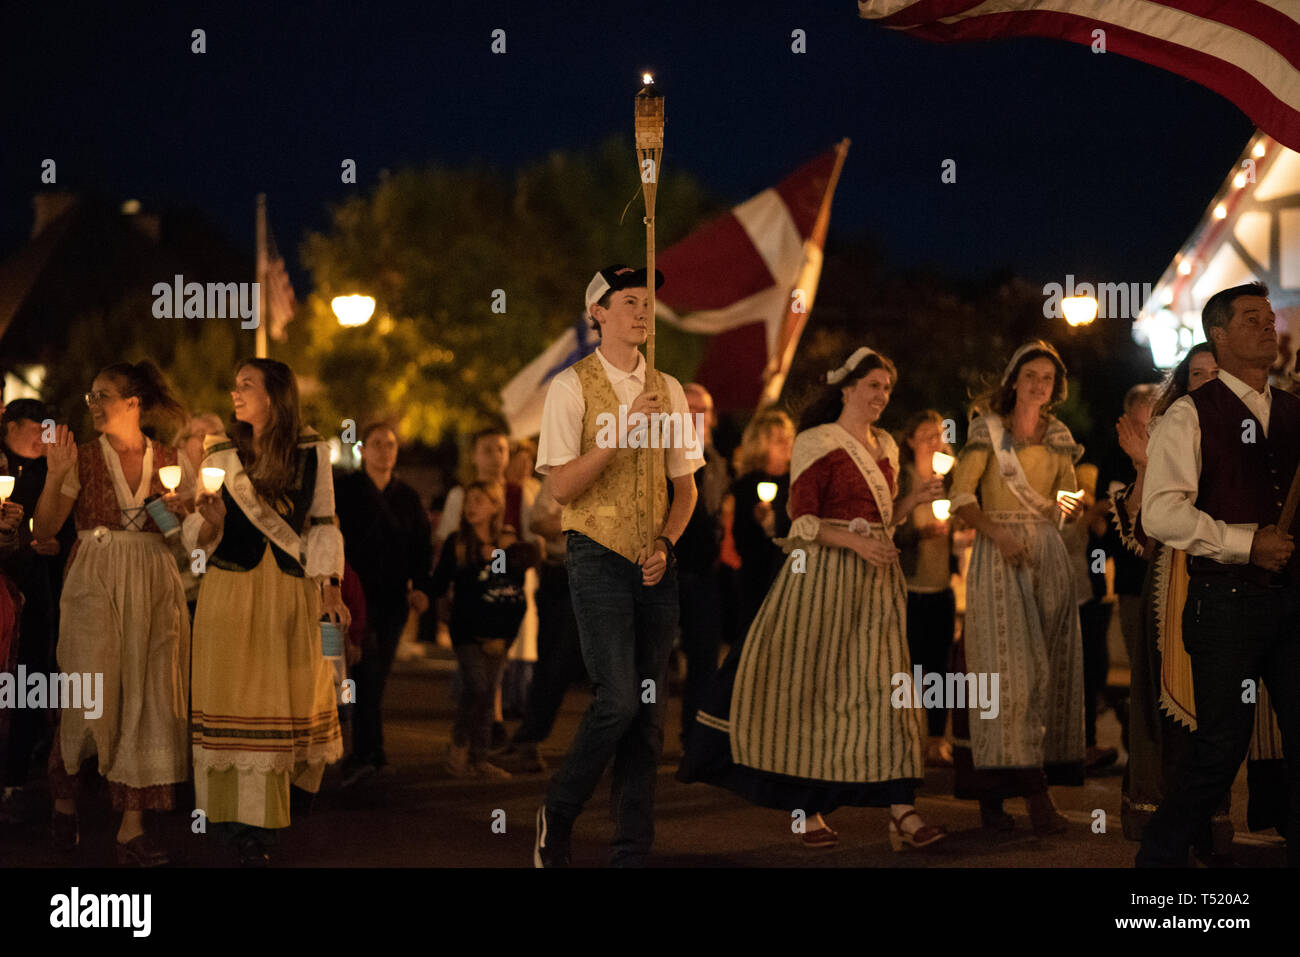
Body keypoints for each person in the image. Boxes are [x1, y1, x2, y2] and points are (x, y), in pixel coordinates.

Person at [680, 347, 948, 850]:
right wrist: (858, 540)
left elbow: (885, 518)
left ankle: (902, 809)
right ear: (846, 389)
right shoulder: (817, 442)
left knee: (886, 694)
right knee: (814, 691)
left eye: (887, 388)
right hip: (823, 574)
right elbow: (802, 520)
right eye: (873, 385)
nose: (881, 396)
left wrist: (913, 501)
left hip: (877, 582)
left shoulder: (887, 445)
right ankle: (805, 810)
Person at [533, 264, 701, 867]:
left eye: (648, 302)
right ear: (597, 314)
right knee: (620, 700)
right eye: (628, 301)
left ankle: (631, 849)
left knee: (651, 716)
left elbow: (685, 488)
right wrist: (621, 434)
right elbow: (559, 488)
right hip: (595, 556)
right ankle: (559, 809)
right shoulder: (570, 387)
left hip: (653, 562)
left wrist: (666, 544)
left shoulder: (671, 389)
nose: (642, 312)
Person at [1137, 283, 1300, 868]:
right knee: (1220, 745)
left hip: (1292, 601)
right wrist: (1246, 543)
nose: (1268, 327)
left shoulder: (1292, 409)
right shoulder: (1190, 413)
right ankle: (1157, 862)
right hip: (1225, 604)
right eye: (1252, 319)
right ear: (1219, 336)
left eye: (1271, 318)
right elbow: (1159, 512)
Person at [185, 358, 347, 867]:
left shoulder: (311, 450)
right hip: (231, 593)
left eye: (247, 386)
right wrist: (208, 523)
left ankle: (273, 817)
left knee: (286, 703)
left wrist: (331, 587)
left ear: (276, 395)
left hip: (289, 595)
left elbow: (322, 522)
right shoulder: (218, 452)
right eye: (234, 386)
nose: (236, 394)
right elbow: (194, 539)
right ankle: (241, 831)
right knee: (238, 704)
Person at [34, 361, 193, 866]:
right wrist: (57, 475)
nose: (95, 404)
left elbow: (172, 534)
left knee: (146, 695)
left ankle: (131, 829)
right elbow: (45, 531)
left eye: (105, 395)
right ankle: (65, 799)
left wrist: (181, 511)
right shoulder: (81, 457)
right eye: (91, 396)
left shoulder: (166, 458)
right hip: (95, 577)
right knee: (90, 690)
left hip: (151, 579)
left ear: (133, 402)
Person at [948, 339, 1086, 835]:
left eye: (1047, 378)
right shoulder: (988, 430)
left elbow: (1067, 494)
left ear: (1056, 388)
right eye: (1031, 375)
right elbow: (961, 497)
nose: (1039, 384)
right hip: (998, 552)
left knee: (1047, 669)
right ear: (1013, 380)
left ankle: (1004, 794)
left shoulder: (1060, 434)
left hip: (1046, 552)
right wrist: (999, 534)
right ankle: (1035, 797)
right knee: (1009, 670)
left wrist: (1070, 505)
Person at [334, 422, 433, 786]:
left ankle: (367, 753)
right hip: (353, 594)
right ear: (363, 449)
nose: (384, 450)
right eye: (377, 443)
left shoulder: (407, 496)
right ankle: (366, 751)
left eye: (390, 444)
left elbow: (421, 545)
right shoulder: (345, 490)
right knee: (360, 674)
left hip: (392, 598)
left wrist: (421, 586)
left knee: (375, 675)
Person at [429, 480, 538, 778]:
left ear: (495, 506)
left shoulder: (505, 543)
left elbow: (503, 583)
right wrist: (422, 593)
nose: (471, 506)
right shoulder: (458, 543)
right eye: (469, 500)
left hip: (499, 629)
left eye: (479, 500)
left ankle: (479, 758)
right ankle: (458, 747)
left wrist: (506, 552)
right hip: (466, 629)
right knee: (475, 686)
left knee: (489, 692)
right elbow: (440, 581)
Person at [0, 400, 71, 825]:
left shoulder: (52, 472)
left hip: (38, 591)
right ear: (11, 426)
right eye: (37, 429)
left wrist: (55, 544)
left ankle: (16, 782)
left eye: (51, 430)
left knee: (30, 683)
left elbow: (68, 525)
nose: (46, 438)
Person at [493, 471, 585, 774]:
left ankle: (616, 750)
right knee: (552, 664)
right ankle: (528, 740)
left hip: (602, 574)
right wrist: (583, 520)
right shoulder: (563, 469)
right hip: (560, 572)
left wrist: (569, 520)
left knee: (605, 666)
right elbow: (538, 522)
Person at [894, 409, 960, 767]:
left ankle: (936, 738)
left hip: (940, 587)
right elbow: (888, 525)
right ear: (910, 441)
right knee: (907, 665)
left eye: (938, 434)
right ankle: (905, 737)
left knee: (939, 665)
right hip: (908, 588)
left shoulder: (947, 479)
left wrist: (960, 533)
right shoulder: (901, 480)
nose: (934, 441)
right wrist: (920, 533)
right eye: (926, 435)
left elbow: (962, 514)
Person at [673, 383, 729, 742]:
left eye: (703, 409)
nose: (696, 415)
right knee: (655, 658)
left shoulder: (720, 463)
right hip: (669, 570)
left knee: (705, 658)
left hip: (706, 574)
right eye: (688, 407)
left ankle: (694, 736)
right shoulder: (663, 457)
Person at [728, 409, 795, 638]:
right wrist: (760, 522)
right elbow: (741, 540)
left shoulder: (797, 482)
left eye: (788, 438)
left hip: (793, 578)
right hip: (758, 581)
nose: (787, 444)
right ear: (761, 444)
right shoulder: (748, 484)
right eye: (778, 440)